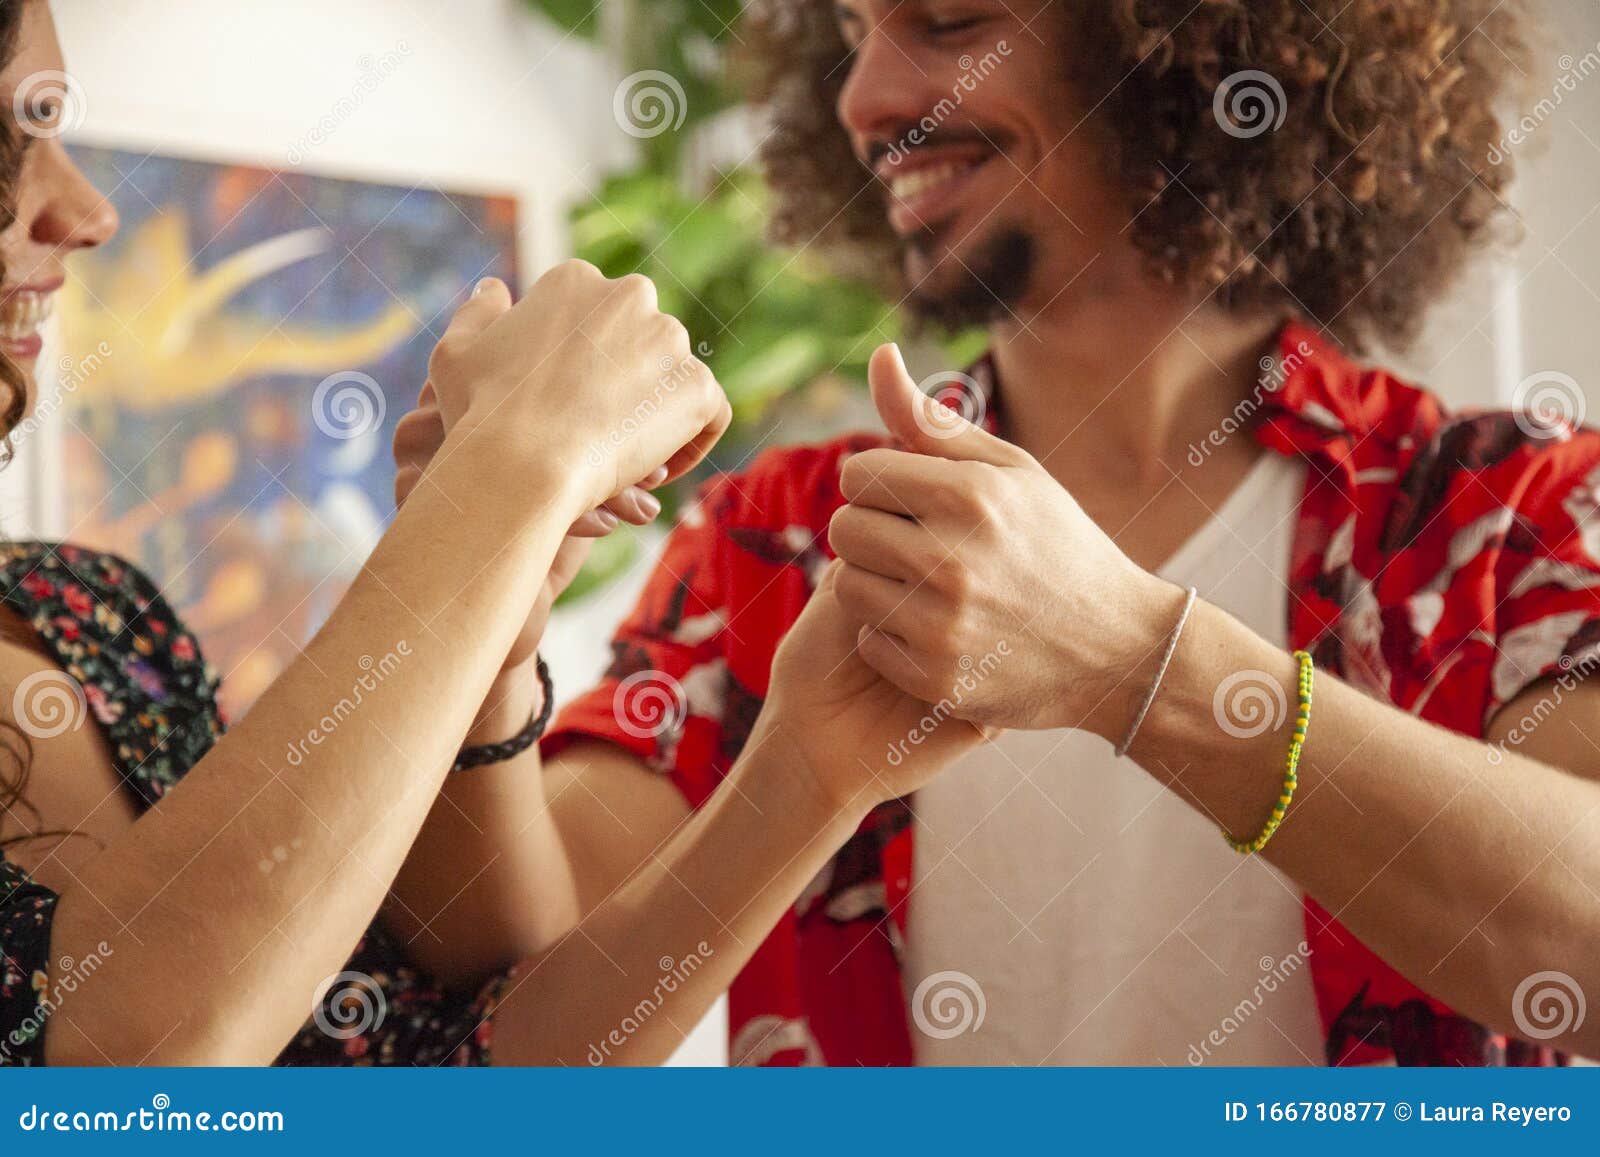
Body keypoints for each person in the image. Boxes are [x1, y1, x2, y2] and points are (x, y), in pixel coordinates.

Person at [426, 0, 1600, 1066]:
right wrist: (482, 602)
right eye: (849, 32)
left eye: (944, 20)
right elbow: (520, 1002)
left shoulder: (1506, 513)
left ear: (1186, 47)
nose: (863, 98)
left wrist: (1138, 662)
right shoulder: (783, 534)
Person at [0, 0, 983, 1066]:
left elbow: (459, 1054)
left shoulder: (91, 615)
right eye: (21, 131)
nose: (88, 211)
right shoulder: (765, 527)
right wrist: (507, 473)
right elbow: (117, 1085)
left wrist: (811, 768)